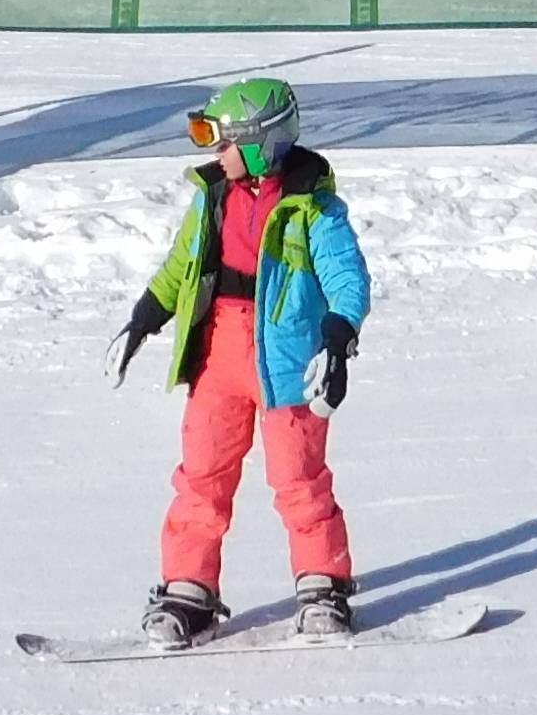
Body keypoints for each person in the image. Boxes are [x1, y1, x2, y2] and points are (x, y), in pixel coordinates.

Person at [109, 72, 368, 645]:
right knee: (201, 476)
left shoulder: (314, 212)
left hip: (288, 362)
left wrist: (337, 338)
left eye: (223, 140)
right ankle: (188, 590)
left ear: (259, 142)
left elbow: (348, 280)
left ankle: (323, 584)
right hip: (217, 359)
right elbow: (181, 266)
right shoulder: (211, 200)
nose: (214, 152)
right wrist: (145, 317)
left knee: (299, 479)